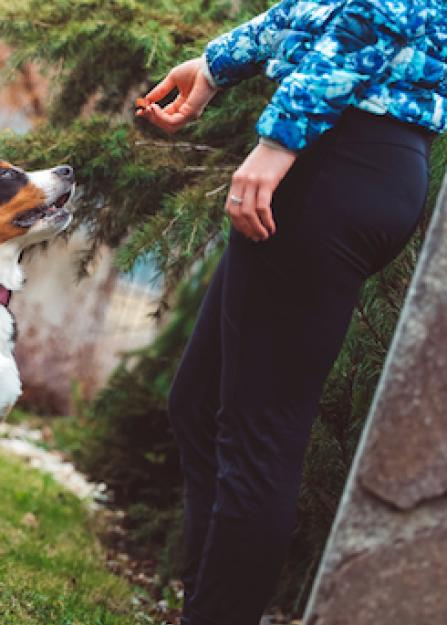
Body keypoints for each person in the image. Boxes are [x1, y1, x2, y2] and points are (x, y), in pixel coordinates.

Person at [136, 1, 445, 624]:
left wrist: (281, 140)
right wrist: (217, 65)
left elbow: (373, 15)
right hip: (355, 156)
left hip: (339, 156)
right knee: (198, 405)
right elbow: (324, 7)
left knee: (260, 436)